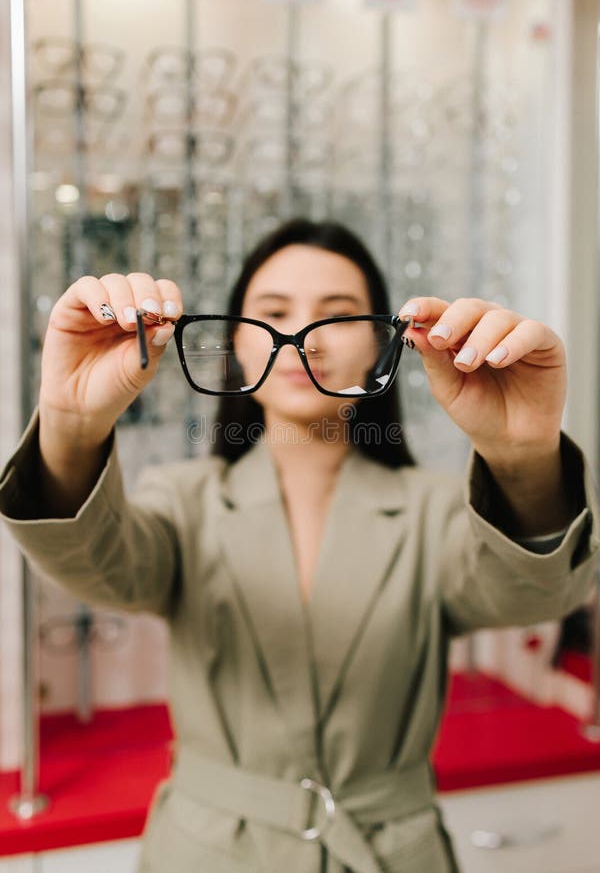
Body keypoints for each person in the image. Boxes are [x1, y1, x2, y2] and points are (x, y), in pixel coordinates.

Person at [1, 218, 598, 873]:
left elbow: (535, 591)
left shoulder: (436, 511)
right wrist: (71, 428)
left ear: (382, 345)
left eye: (336, 314)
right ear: (235, 342)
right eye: (274, 312)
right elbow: (98, 565)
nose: (302, 339)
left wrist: (522, 458)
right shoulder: (182, 500)